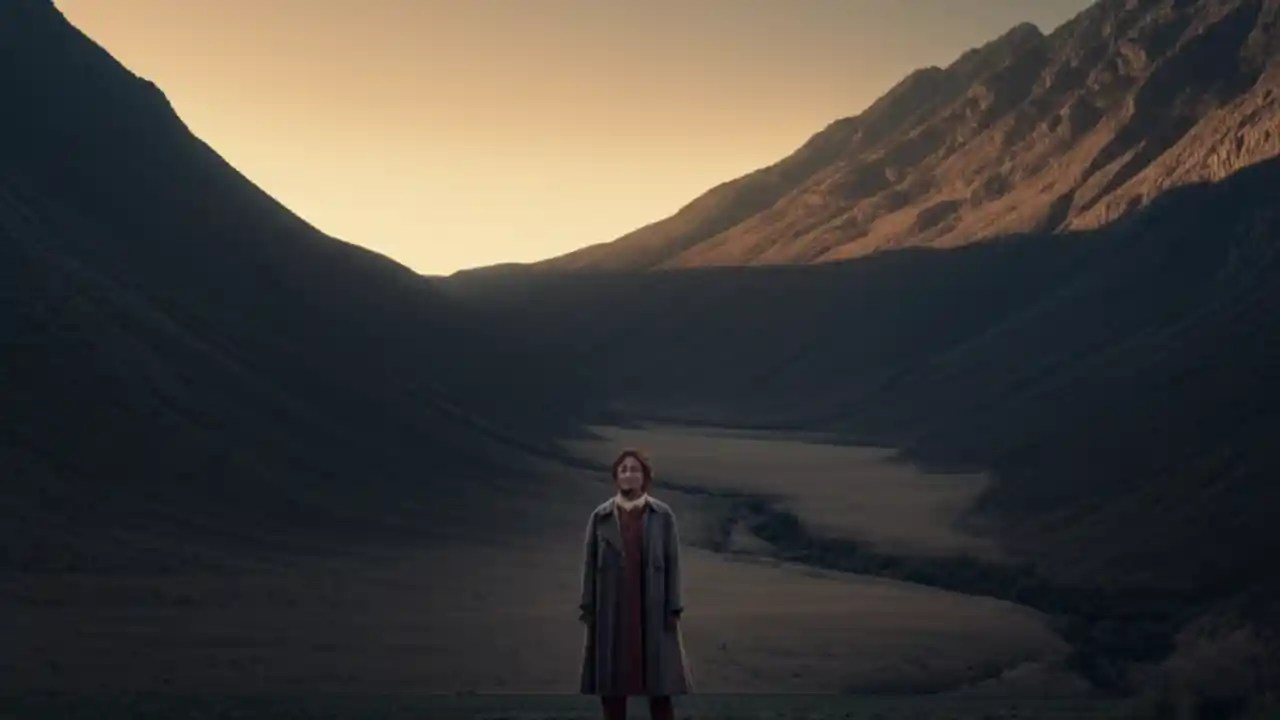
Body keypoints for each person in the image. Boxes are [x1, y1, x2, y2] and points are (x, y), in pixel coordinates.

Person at [579, 448, 693, 720]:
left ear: (645, 477)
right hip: (611, 609)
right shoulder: (601, 517)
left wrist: (674, 606)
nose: (629, 474)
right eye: (623, 470)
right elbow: (589, 563)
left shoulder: (662, 515)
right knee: (612, 687)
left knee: (660, 686)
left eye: (635, 470)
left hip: (652, 607)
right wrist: (588, 606)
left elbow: (672, 562)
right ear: (616, 477)